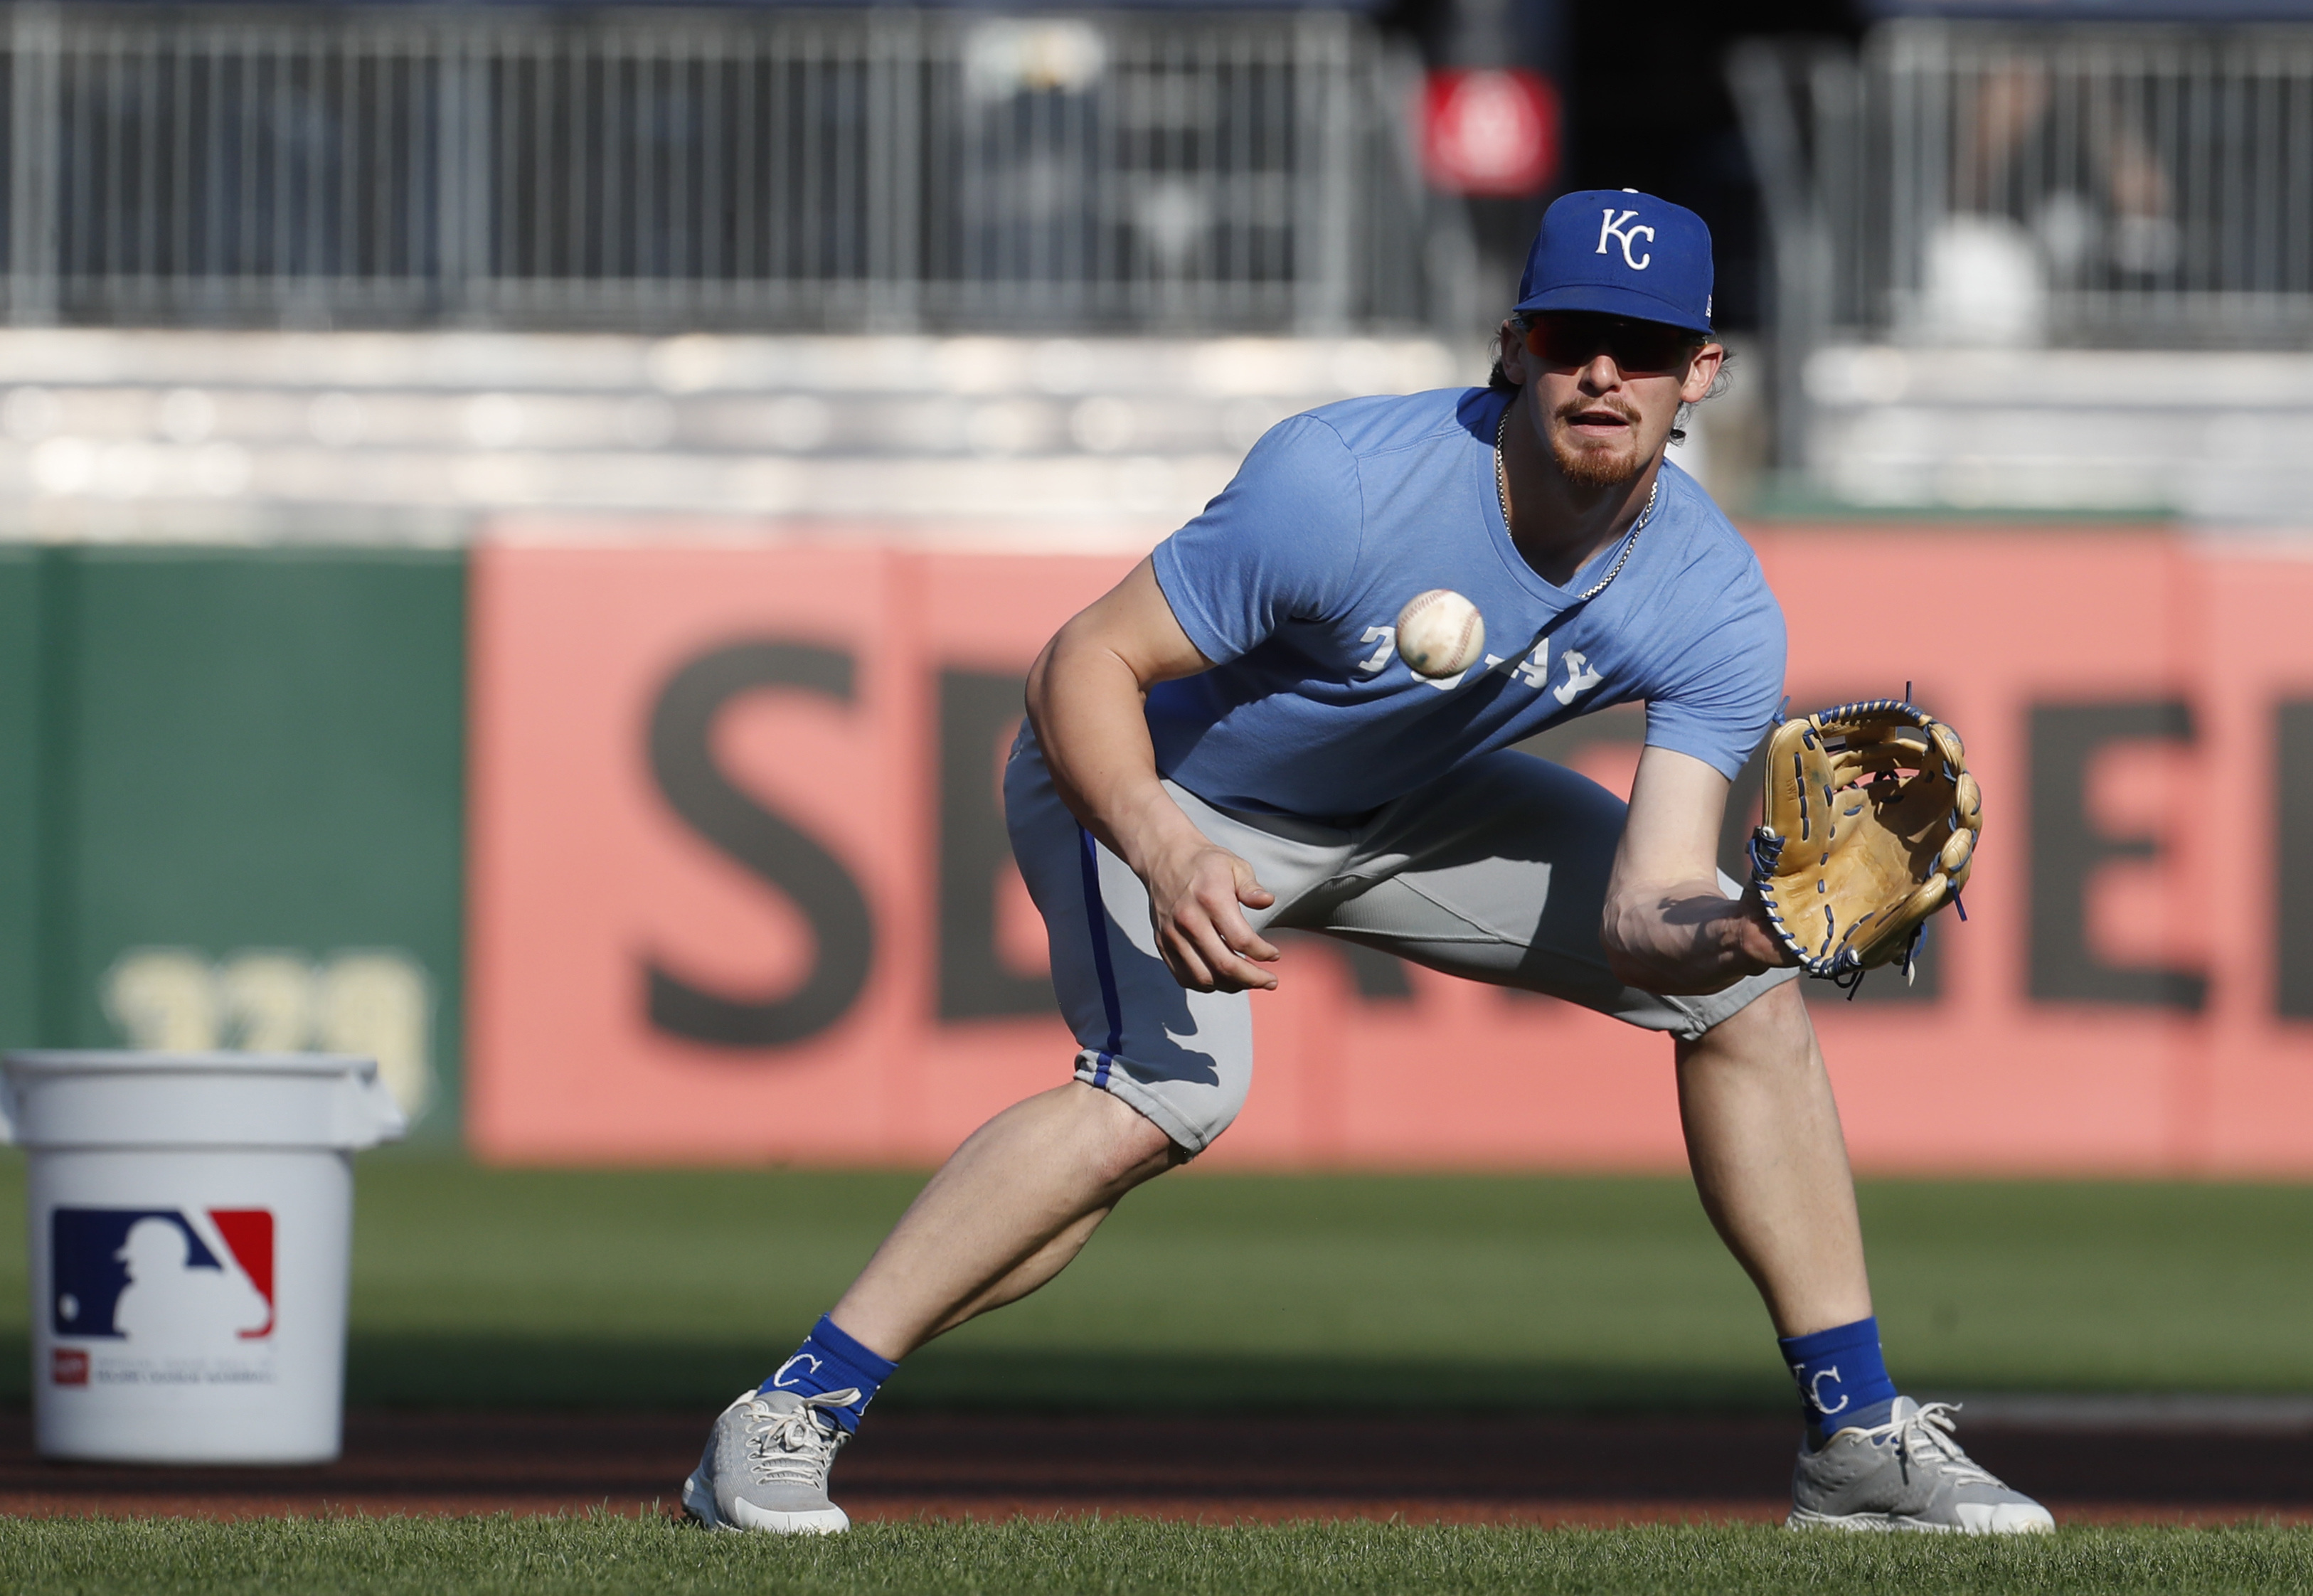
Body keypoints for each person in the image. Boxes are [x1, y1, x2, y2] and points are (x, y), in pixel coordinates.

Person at [681, 189, 2053, 1536]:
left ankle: (1857, 1439)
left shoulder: (1711, 598)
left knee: (1745, 1009)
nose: (1599, 372)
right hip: (1156, 782)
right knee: (1167, 1093)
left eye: (1638, 347)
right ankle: (791, 1412)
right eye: (1571, 332)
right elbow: (1081, 662)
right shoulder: (1339, 485)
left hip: (1405, 803)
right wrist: (1161, 847)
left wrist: (1749, 930)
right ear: (1513, 343)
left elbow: (1650, 901)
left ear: (1700, 372)